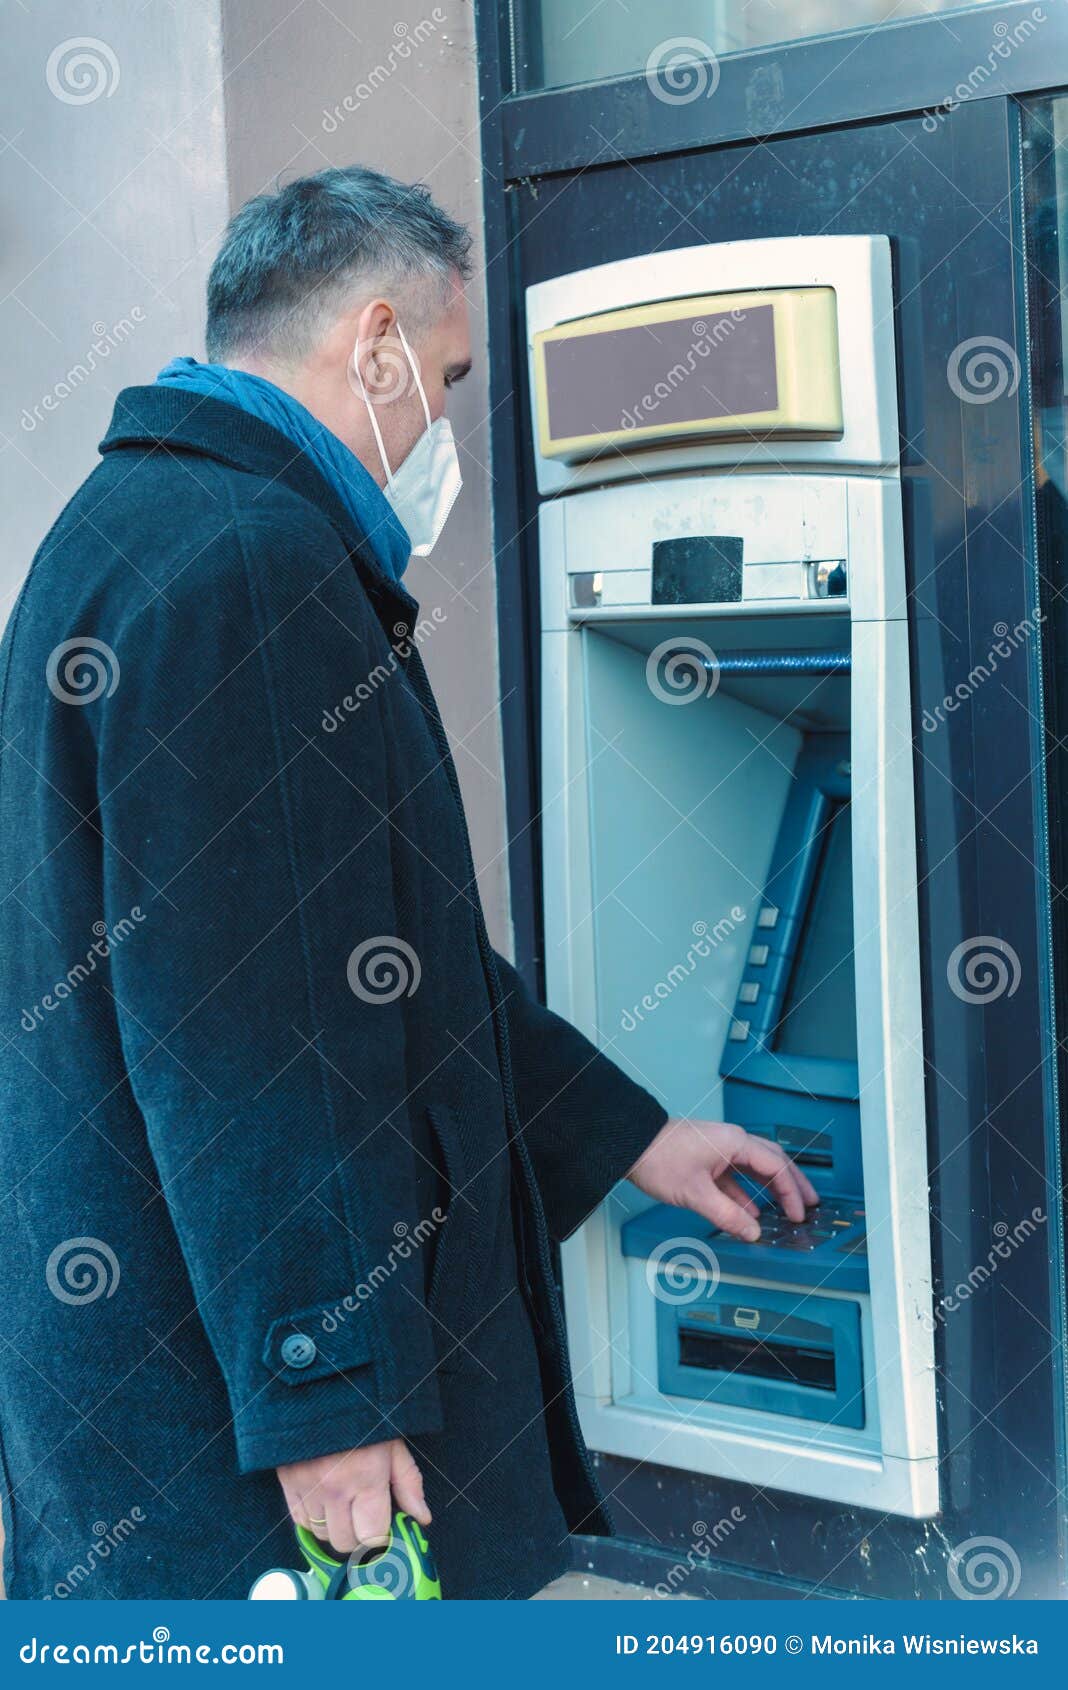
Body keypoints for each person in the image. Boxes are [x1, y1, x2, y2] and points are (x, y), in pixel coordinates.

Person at [0, 166, 817, 1600]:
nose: (440, 422)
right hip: (236, 1437)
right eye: (440, 375)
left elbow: (387, 958)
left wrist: (625, 1132)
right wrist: (327, 1397)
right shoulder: (251, 572)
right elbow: (252, 1035)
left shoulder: (121, 532)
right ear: (371, 342)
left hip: (131, 1387)